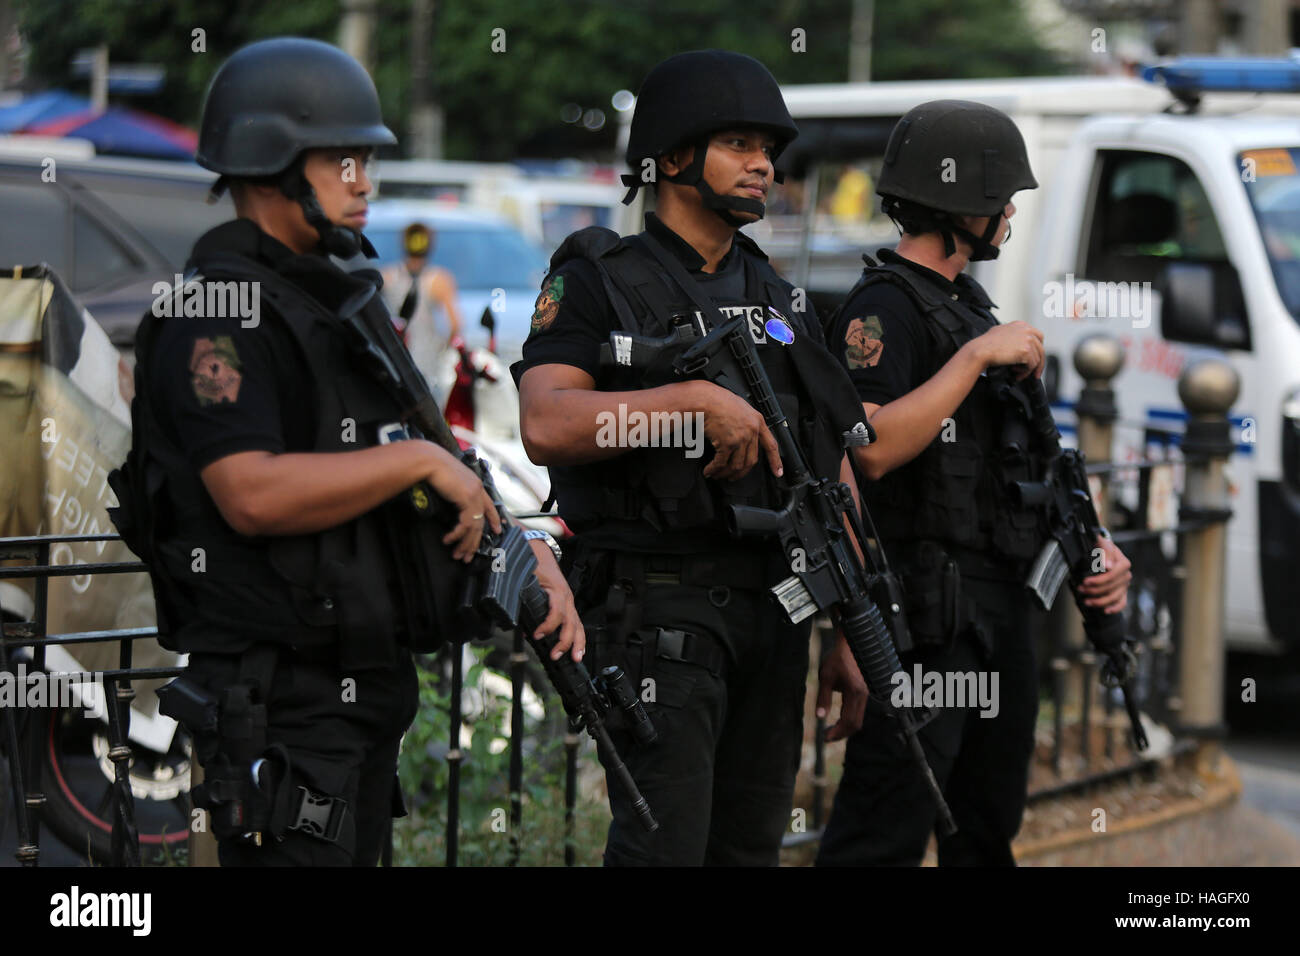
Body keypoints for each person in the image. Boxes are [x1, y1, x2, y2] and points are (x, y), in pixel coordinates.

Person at [110, 36, 581, 866]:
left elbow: (425, 447)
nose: (364, 181)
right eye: (342, 160)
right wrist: (422, 467)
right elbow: (248, 492)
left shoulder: (337, 300)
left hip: (360, 688)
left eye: (365, 159)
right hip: (281, 699)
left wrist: (517, 546)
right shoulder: (215, 312)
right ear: (269, 163)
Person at [513, 49, 869, 866]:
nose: (764, 164)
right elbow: (547, 423)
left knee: (749, 854)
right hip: (659, 619)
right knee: (664, 853)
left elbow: (828, 472)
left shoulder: (780, 297)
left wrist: (851, 623)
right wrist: (687, 405)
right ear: (671, 157)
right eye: (739, 143)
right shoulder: (599, 277)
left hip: (776, 614)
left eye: (768, 149)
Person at [816, 100, 1133, 866]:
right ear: (962, 208)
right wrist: (973, 361)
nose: (1012, 213)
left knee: (988, 826)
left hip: (999, 606)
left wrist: (1096, 546)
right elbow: (869, 449)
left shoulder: (968, 306)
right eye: (1002, 200)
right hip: (926, 617)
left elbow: (1017, 462)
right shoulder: (884, 308)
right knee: (883, 831)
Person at [379, 222, 465, 397]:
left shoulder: (386, 276)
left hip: (393, 360)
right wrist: (442, 350)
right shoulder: (439, 280)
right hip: (427, 362)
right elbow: (456, 325)